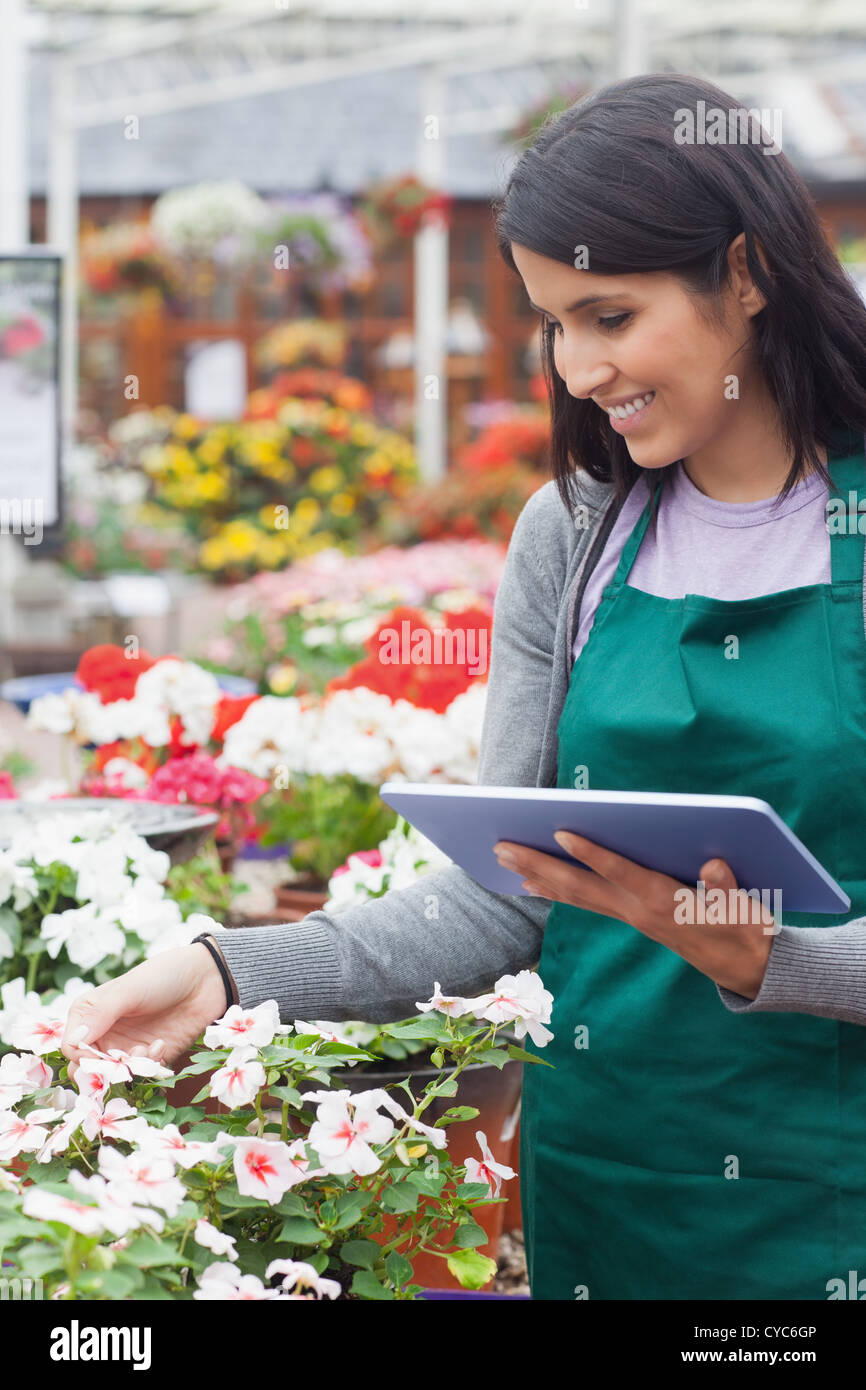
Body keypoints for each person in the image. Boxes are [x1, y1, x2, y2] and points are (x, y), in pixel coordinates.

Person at [62, 72, 866, 1301]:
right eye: (551, 322)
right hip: (611, 1179)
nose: (576, 365)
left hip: (833, 1188)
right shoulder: (574, 533)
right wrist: (228, 970)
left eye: (608, 315)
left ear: (745, 274)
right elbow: (503, 907)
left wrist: (776, 960)